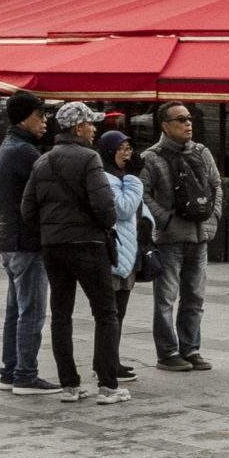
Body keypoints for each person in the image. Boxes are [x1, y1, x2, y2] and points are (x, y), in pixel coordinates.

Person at [22, 101, 124, 404]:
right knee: (105, 313)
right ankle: (108, 386)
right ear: (78, 128)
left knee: (61, 315)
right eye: (90, 124)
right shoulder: (89, 158)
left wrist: (50, 230)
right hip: (88, 244)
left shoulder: (43, 161)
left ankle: (70, 385)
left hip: (53, 247)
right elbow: (105, 205)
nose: (94, 130)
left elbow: (27, 209)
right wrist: (104, 225)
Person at [140, 102, 221, 370]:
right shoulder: (151, 158)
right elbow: (143, 194)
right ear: (165, 125)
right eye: (181, 119)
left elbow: (216, 186)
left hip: (199, 238)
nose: (188, 124)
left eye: (189, 118)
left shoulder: (201, 152)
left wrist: (213, 218)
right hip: (169, 240)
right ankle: (167, 353)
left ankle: (191, 349)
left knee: (195, 297)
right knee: (166, 299)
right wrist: (165, 220)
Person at [0, 93, 57, 395]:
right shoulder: (24, 152)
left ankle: (10, 372)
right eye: (40, 116)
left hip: (10, 239)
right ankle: (26, 375)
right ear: (24, 118)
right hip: (27, 242)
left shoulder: (9, 147)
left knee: (16, 310)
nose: (45, 122)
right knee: (31, 311)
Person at [98, 129, 147, 379]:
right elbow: (125, 208)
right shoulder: (106, 178)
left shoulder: (123, 177)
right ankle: (106, 364)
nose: (127, 153)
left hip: (129, 252)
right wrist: (134, 178)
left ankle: (111, 360)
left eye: (129, 148)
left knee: (120, 312)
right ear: (109, 151)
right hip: (114, 254)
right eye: (121, 148)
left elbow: (140, 209)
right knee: (111, 314)